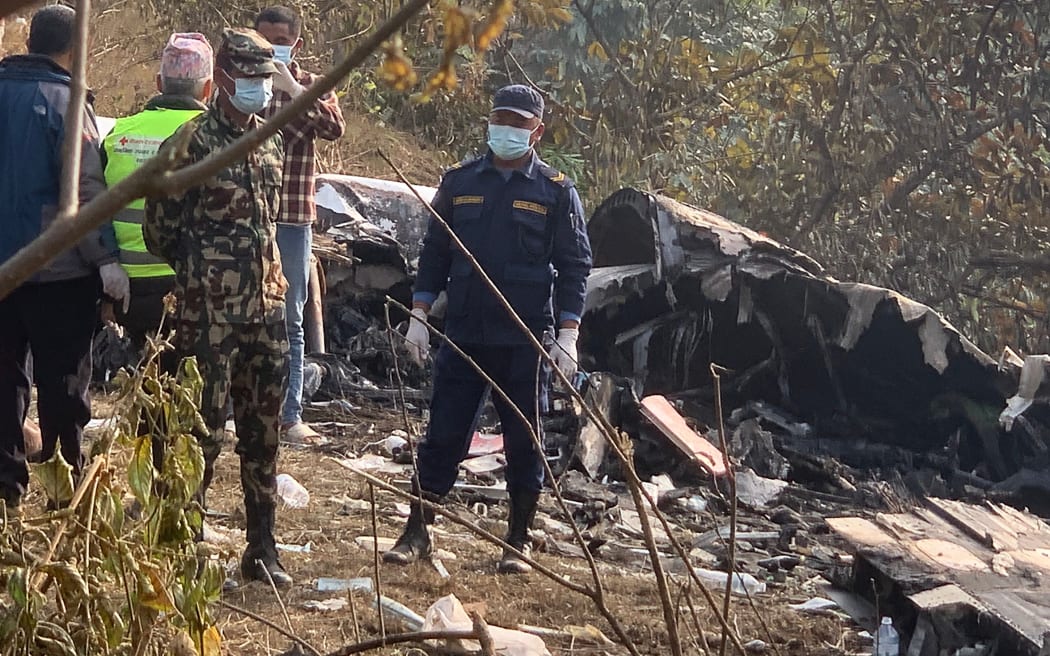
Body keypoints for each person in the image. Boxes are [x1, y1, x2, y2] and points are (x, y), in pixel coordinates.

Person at [384, 84, 593, 574]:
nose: (507, 130)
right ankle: (417, 532)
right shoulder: (459, 183)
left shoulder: (556, 192)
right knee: (443, 436)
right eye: (501, 119)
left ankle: (517, 539)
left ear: (537, 131)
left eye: (519, 123)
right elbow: (435, 253)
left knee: (525, 440)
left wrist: (569, 334)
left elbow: (575, 266)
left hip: (524, 339)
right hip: (464, 335)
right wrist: (418, 315)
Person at [143, 28, 291, 587]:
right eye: (249, 79)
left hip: (266, 311)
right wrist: (202, 271)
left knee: (264, 436)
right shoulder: (190, 143)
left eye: (265, 79)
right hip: (208, 316)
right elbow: (160, 230)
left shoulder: (271, 139)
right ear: (223, 79)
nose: (260, 89)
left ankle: (262, 548)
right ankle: (186, 548)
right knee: (201, 433)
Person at [0, 5, 129, 508]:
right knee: (63, 389)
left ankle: (5, 492)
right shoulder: (66, 102)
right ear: (74, 48)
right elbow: (85, 190)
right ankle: (64, 494)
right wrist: (107, 261)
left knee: (4, 386)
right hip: (57, 275)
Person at [255, 5, 345, 444]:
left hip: (291, 219)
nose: (272, 48)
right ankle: (245, 411)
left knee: (290, 317)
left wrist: (291, 88)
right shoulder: (241, 84)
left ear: (296, 44)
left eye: (280, 40)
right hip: (247, 217)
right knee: (244, 315)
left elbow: (333, 126)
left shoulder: (312, 85)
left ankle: (289, 416)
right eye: (264, 39)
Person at [102, 32, 213, 349]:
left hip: (123, 287)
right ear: (207, 89)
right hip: (186, 286)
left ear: (158, 82)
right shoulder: (214, 138)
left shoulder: (117, 133)